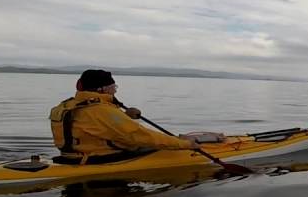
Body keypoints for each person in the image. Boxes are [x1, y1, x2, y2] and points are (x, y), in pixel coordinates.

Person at [49, 69, 199, 164]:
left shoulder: (68, 105)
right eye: (113, 87)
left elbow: (93, 125)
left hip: (69, 156)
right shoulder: (102, 110)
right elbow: (141, 136)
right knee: (161, 146)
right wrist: (185, 144)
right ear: (102, 89)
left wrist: (124, 116)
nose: (115, 91)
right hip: (97, 158)